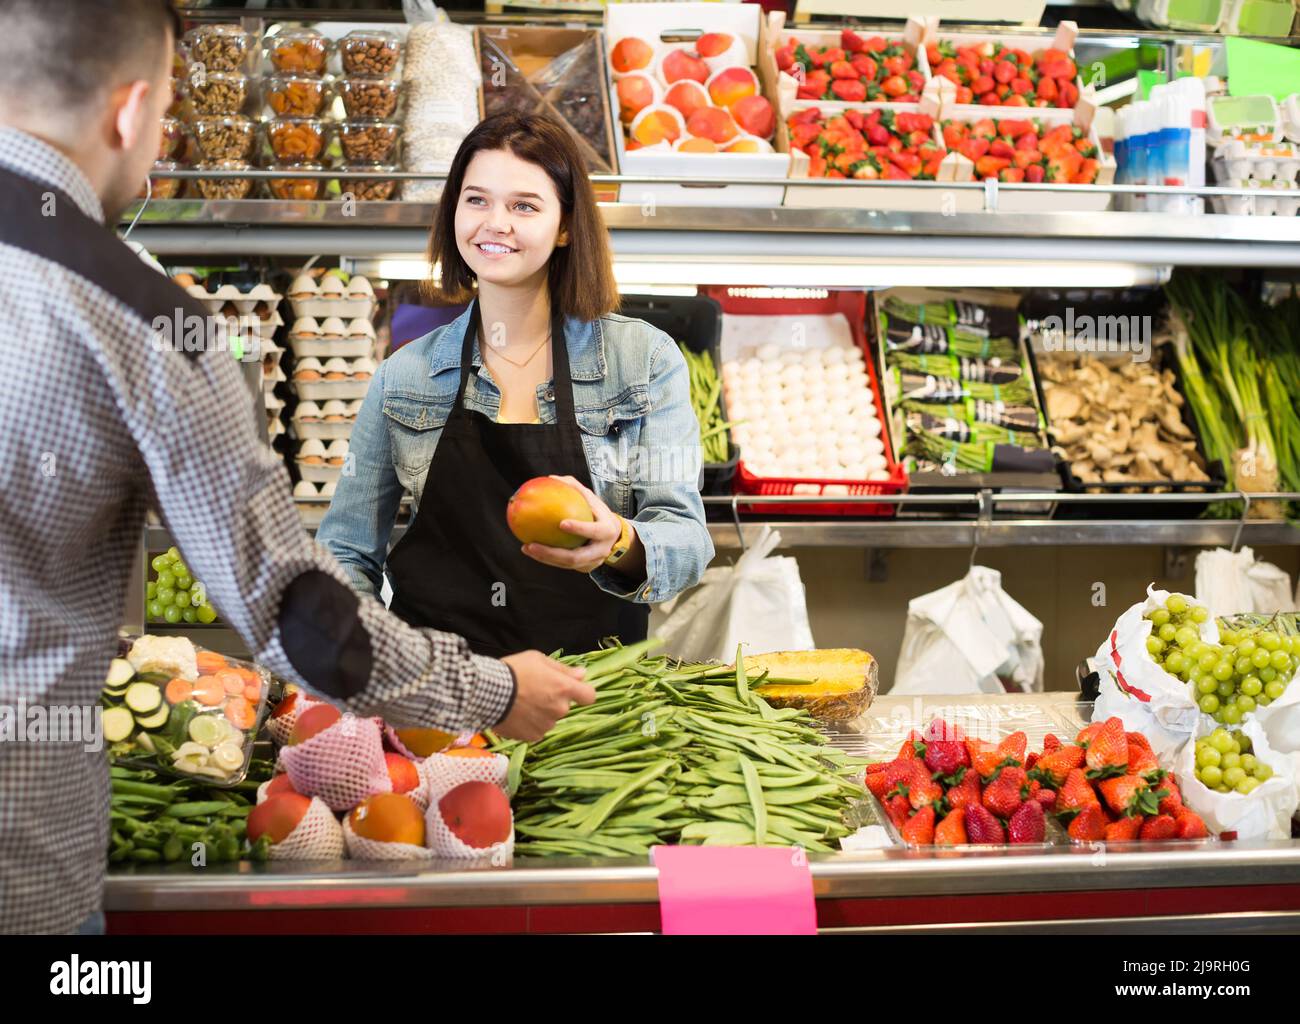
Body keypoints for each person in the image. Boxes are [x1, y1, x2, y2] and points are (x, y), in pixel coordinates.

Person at [0, 0, 593, 936]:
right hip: (19, 868)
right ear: (130, 111)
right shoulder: (143, 322)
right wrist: (494, 690)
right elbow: (301, 622)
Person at [318, 112, 714, 658]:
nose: (494, 223)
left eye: (524, 205)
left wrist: (618, 542)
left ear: (567, 225)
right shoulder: (406, 375)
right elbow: (345, 549)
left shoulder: (641, 361)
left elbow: (688, 539)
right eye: (476, 200)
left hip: (593, 699)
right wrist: (371, 664)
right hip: (442, 698)